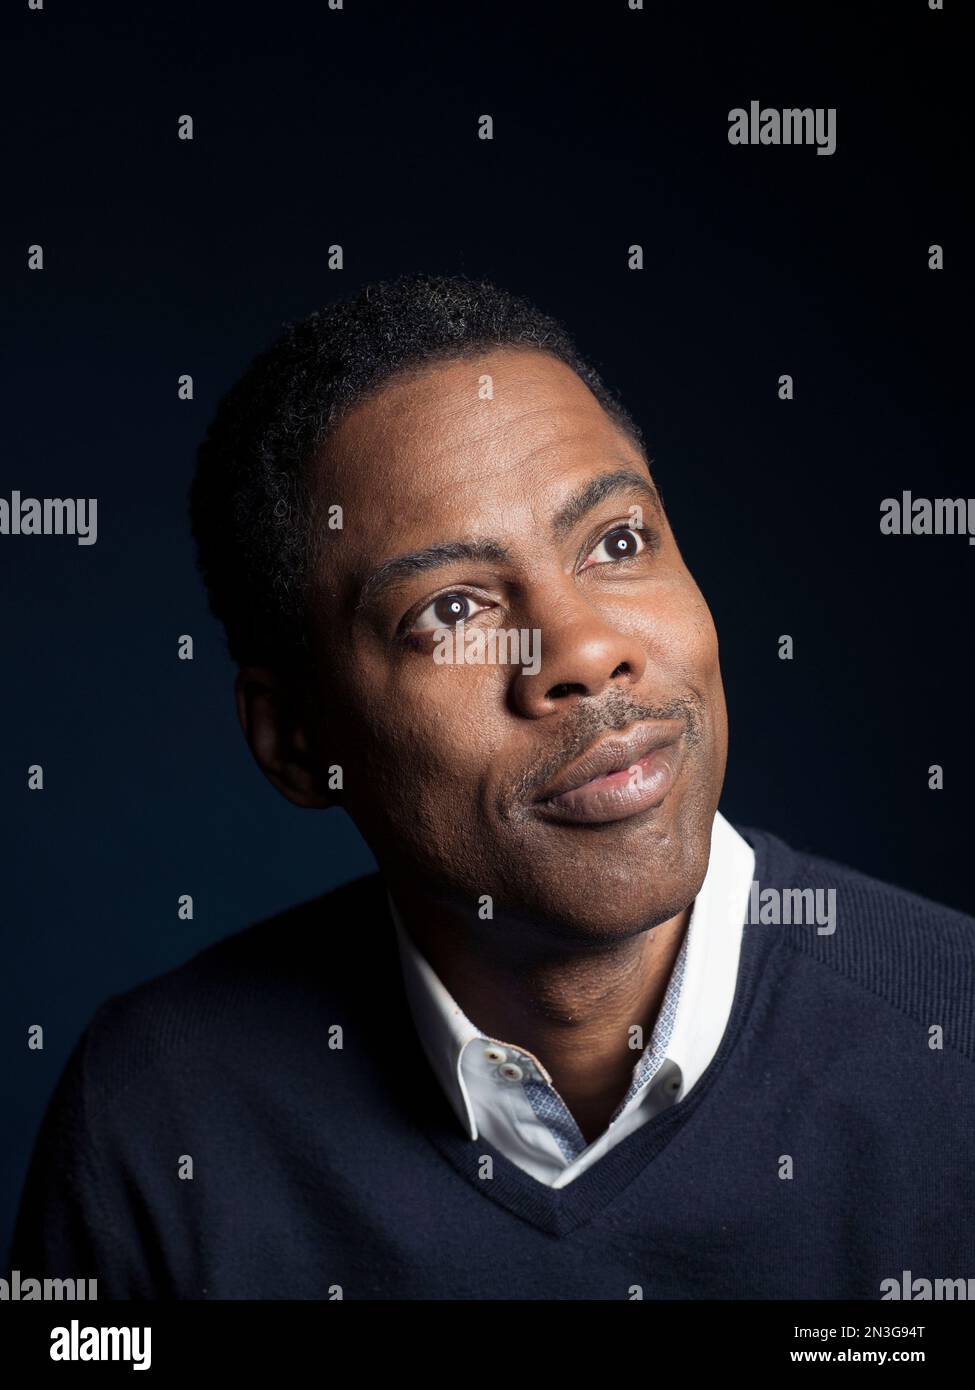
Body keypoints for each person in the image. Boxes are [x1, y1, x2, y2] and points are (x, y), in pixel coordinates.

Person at [11, 273, 975, 1299]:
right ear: (296, 741)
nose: (587, 651)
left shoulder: (950, 1044)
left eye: (617, 542)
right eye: (454, 609)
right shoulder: (159, 1111)